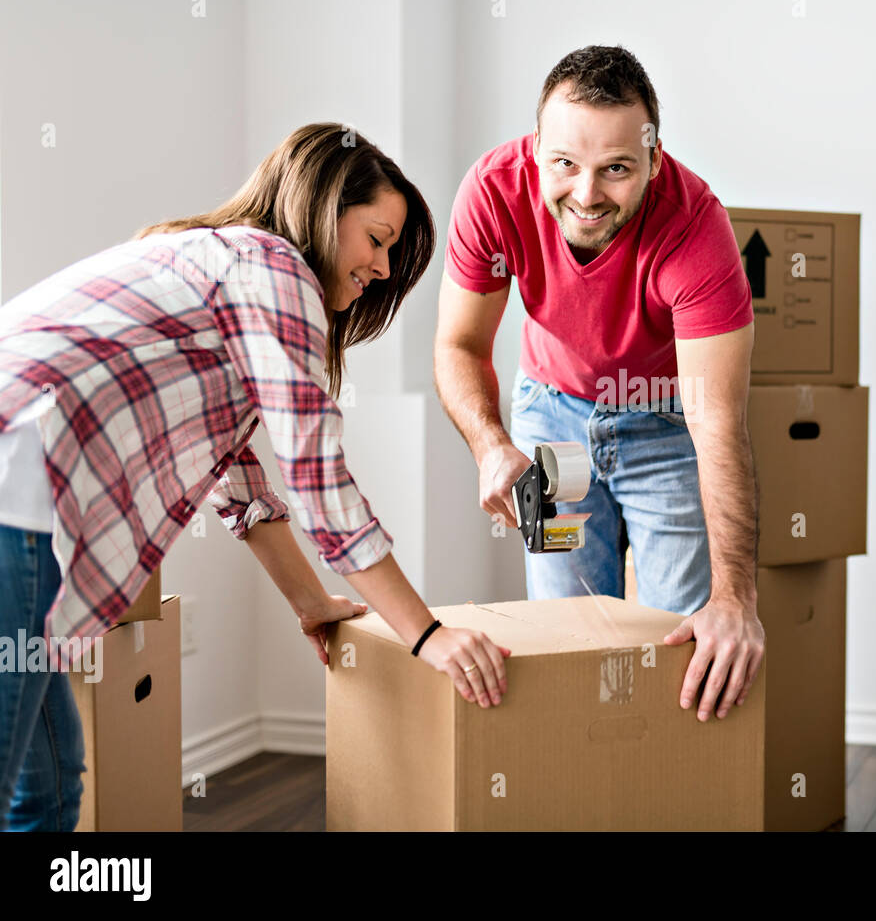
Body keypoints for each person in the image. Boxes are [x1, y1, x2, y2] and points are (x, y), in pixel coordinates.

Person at [0, 123, 509, 831]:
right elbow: (316, 479)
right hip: (9, 493)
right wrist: (428, 636)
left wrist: (310, 602)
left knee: (47, 791)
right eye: (378, 239)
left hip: (22, 508)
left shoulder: (219, 268)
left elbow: (239, 483)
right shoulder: (270, 268)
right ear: (323, 207)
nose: (385, 269)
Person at [434, 45, 764, 723]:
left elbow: (716, 422)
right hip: (551, 419)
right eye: (564, 165)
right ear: (536, 150)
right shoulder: (494, 190)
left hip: (666, 424)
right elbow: (460, 345)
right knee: (570, 635)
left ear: (654, 159)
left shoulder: (695, 226)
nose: (586, 195)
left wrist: (736, 597)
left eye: (616, 168)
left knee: (674, 643)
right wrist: (492, 445)